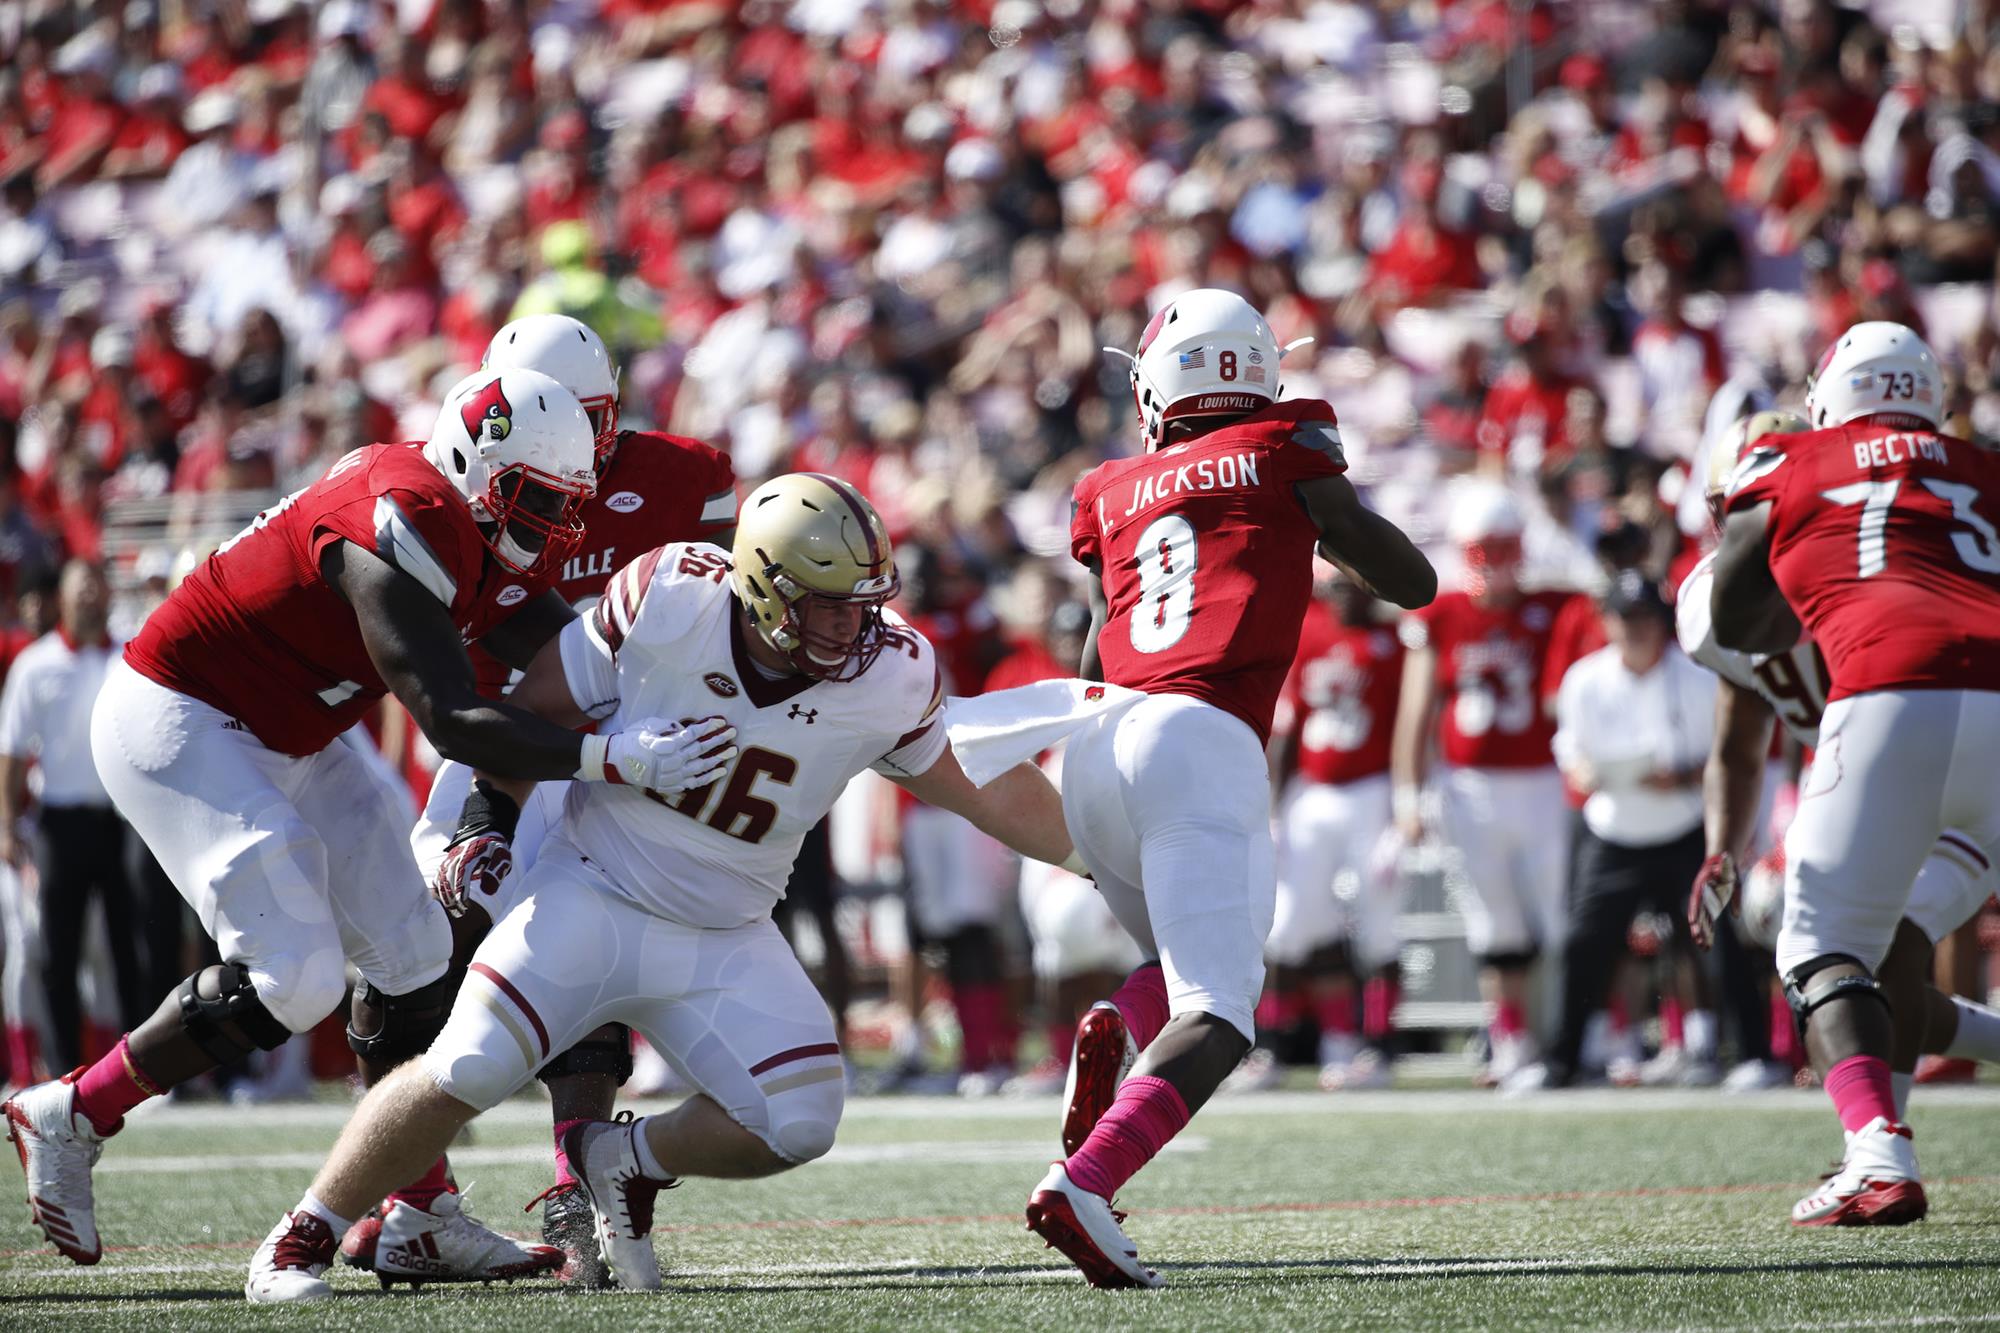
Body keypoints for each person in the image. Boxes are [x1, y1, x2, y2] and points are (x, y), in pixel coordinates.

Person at [242, 473, 1085, 1302]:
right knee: (466, 1065)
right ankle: (303, 1232)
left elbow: (977, 785)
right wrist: (487, 820)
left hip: (727, 932)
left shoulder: (889, 671)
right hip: (594, 892)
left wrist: (1089, 857)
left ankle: (624, 1158)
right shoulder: (669, 598)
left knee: (800, 1120)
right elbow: (536, 710)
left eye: (865, 602)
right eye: (830, 603)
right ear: (763, 587)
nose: (855, 624)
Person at [2, 366, 713, 1276]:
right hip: (180, 716)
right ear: (476, 463)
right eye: (534, 501)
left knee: (413, 950)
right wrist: (615, 756)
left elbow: (559, 643)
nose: (549, 528)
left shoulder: (469, 515)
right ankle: (68, 1110)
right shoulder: (401, 518)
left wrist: (666, 683)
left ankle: (420, 1214)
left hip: (292, 727)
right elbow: (451, 716)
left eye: (561, 506)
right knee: (293, 978)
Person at [954, 288, 1434, 1288]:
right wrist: (1319, 504)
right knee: (1219, 1011)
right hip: (1199, 731)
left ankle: (1120, 1027)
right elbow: (1410, 583)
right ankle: (1084, 1181)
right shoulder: (1284, 447)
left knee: (1179, 975)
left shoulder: (1108, 484)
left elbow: (1094, 638)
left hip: (1094, 735)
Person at [399, 314, 736, 1286]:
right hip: (503, 740)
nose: (576, 446)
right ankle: (414, 1198)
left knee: (590, 961)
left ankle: (575, 1181)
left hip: (619, 752)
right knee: (412, 955)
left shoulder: (677, 475)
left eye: (587, 420)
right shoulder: (454, 491)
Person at [1711, 321, 2000, 1227]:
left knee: (1817, 939)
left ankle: (1877, 1153)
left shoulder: (1788, 457)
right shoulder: (1982, 466)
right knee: (1899, 936)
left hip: (1891, 692)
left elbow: (1736, 618)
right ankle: (1877, 1135)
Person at [1390, 486, 1582, 1086]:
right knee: (1495, 922)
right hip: (1470, 787)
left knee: (1562, 916)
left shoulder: (1555, 605)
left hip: (1545, 779)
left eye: (1505, 548)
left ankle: (1591, 1034)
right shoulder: (1443, 612)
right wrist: (1408, 792)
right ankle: (1510, 1040)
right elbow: (1416, 709)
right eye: (1484, 549)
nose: (1495, 562)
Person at [1517, 573, 1715, 1091]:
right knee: (1583, 944)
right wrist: (1582, 770)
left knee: (1713, 940)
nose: (1636, 630)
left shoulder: (1696, 678)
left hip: (1681, 823)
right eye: (1625, 619)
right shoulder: (1585, 678)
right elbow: (1569, 746)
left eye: (1645, 618)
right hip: (1614, 827)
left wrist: (1683, 775)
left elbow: (1722, 755)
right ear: (1608, 623)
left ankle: (1734, 1049)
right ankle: (1562, 1059)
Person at [0, 561, 147, 1072]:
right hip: (60, 823)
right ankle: (64, 1066)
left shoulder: (128, 655)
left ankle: (143, 1066)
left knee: (130, 944)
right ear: (61, 597)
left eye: (95, 585)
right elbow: (12, 753)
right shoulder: (35, 665)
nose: (88, 596)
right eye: (78, 586)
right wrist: (5, 825)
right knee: (57, 952)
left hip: (121, 819)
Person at [1262, 575, 1406, 1092]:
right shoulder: (1307, 632)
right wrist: (1274, 810)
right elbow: (1286, 728)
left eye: (1353, 584)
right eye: (1336, 584)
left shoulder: (1395, 643)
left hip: (1372, 789)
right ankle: (1283, 1047)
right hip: (1312, 791)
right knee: (1294, 923)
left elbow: (1410, 728)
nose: (1344, 593)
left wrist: (1407, 803)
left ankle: (1379, 1047)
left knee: (1379, 922)